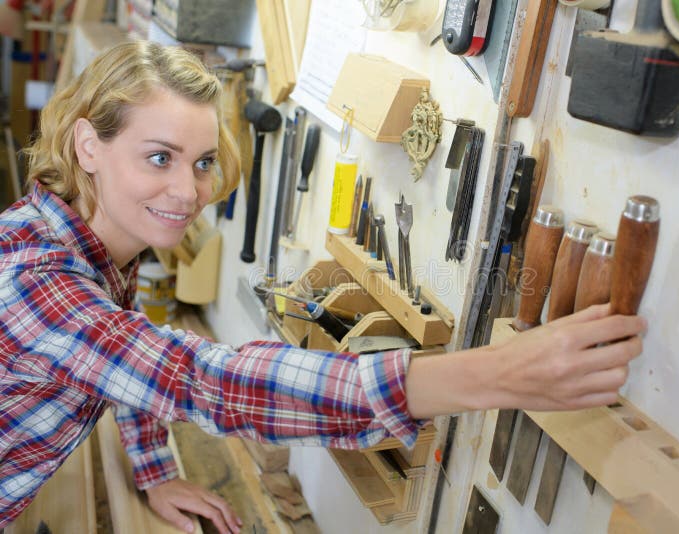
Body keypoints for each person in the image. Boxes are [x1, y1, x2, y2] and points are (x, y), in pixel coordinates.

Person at [0, 41, 646, 533]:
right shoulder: (37, 281)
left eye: (200, 163)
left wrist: (157, 470)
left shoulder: (93, 240)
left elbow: (126, 361)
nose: (189, 191)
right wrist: (492, 375)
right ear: (88, 145)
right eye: (159, 157)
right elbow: (202, 380)